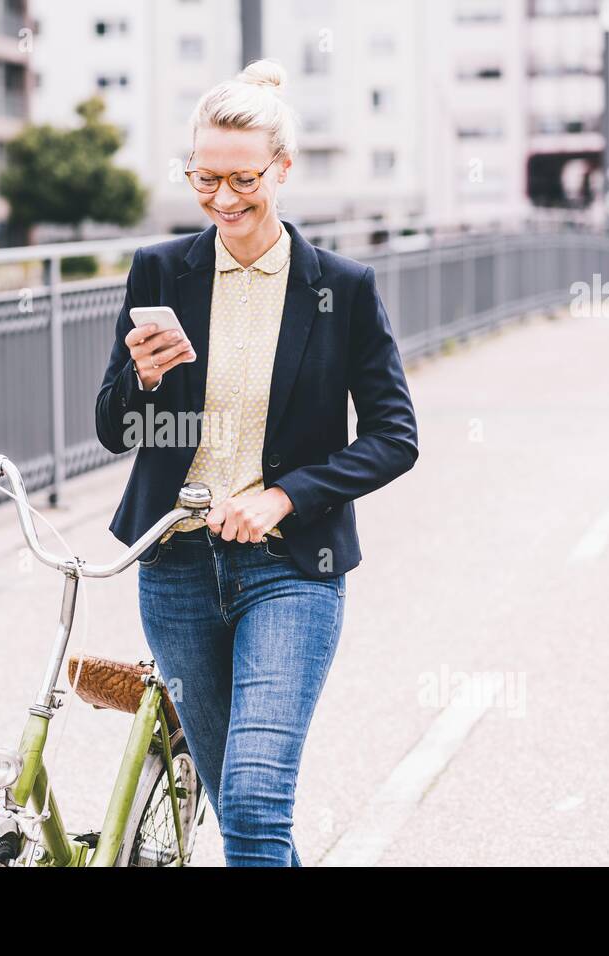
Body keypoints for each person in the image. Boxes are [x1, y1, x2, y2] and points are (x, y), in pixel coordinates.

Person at [94, 58, 418, 866]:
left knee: (252, 797)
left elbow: (393, 434)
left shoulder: (340, 288)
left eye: (243, 178)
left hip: (290, 568)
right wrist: (142, 377)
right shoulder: (162, 269)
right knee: (239, 811)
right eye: (205, 180)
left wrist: (285, 495)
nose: (225, 199)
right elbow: (111, 429)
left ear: (283, 167)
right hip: (173, 568)